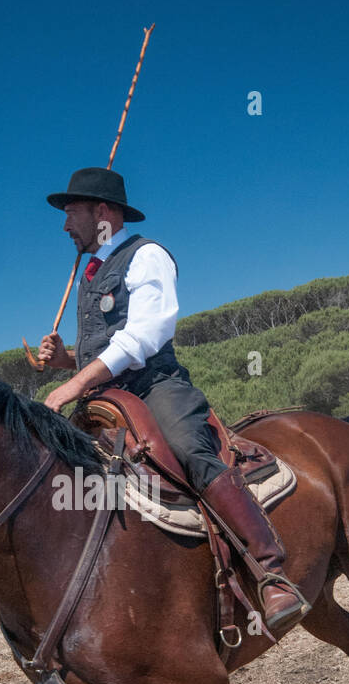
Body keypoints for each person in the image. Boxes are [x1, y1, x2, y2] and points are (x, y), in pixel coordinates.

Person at [38, 166, 308, 632]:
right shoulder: (89, 274)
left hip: (153, 386)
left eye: (72, 213)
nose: (65, 225)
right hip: (103, 395)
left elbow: (144, 336)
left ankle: (270, 572)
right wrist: (67, 361)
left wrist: (72, 385)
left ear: (103, 212)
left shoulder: (147, 256)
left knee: (189, 448)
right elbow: (103, 348)